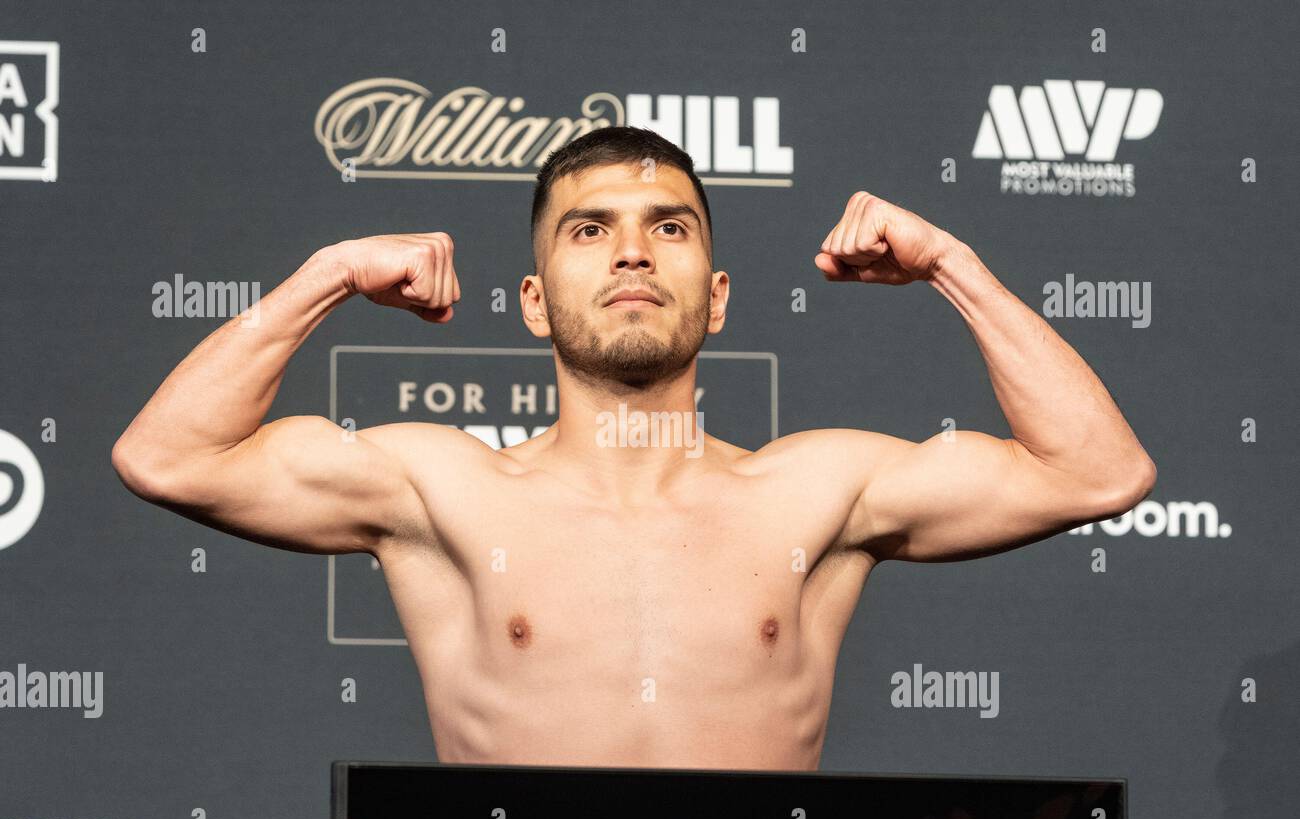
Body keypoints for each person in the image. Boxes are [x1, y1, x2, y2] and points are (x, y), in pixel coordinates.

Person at [111, 126, 1155, 770]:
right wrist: (328, 272)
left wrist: (951, 264)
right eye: (587, 229)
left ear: (717, 293)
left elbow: (1098, 471)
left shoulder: (816, 491)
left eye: (669, 228)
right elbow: (169, 456)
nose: (629, 251)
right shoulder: (440, 488)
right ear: (531, 304)